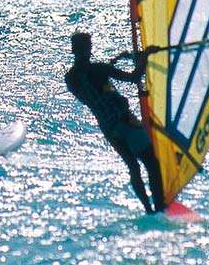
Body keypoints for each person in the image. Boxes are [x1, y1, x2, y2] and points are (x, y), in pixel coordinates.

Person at [65, 31, 165, 214]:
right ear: (89, 48)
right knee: (151, 164)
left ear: (73, 50)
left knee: (133, 167)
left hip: (108, 128)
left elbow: (92, 85)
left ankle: (147, 209)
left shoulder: (70, 78)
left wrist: (111, 65)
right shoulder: (99, 69)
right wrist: (146, 55)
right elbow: (134, 77)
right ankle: (159, 207)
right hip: (125, 122)